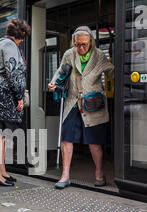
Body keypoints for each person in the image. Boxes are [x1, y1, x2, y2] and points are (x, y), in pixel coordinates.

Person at [48, 26, 114, 189]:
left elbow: (111, 71)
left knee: (94, 142)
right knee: (66, 138)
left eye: (84, 44)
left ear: (90, 41)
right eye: (78, 44)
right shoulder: (69, 54)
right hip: (72, 102)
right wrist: (53, 83)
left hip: (92, 103)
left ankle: (99, 173)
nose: (81, 48)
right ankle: (65, 175)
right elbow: (60, 71)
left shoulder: (99, 55)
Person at [0, 18, 31, 187]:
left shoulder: (0, 43)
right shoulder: (11, 46)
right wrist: (19, 96)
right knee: (0, 135)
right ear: (21, 35)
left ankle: (2, 171)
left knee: (1, 135)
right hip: (4, 95)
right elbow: (13, 73)